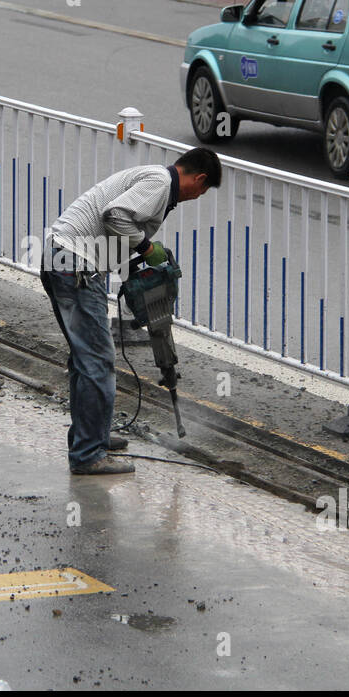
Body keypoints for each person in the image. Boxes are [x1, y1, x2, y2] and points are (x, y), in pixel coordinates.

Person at [41, 148, 222, 475]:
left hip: (62, 259)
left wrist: (140, 264)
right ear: (200, 179)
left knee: (85, 360)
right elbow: (115, 215)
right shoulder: (160, 183)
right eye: (203, 190)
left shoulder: (153, 178)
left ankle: (92, 436)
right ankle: (88, 455)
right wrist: (148, 248)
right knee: (97, 361)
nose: (198, 196)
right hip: (77, 266)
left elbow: (115, 230)